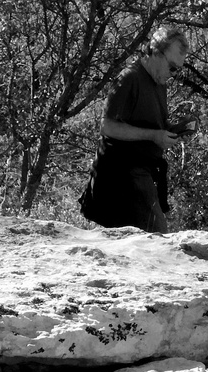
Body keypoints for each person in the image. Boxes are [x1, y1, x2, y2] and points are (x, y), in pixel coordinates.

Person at [79, 27, 196, 233]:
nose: (173, 74)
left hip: (144, 171)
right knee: (156, 234)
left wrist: (174, 130)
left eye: (177, 70)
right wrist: (154, 135)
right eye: (172, 67)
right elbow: (107, 127)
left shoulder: (159, 83)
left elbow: (150, 124)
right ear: (155, 52)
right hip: (121, 174)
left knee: (144, 240)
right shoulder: (129, 78)